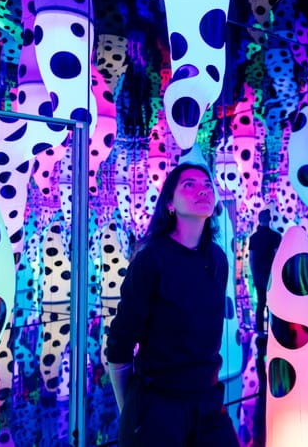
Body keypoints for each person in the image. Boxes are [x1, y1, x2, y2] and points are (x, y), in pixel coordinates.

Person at [106, 163, 241, 447]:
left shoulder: (217, 258)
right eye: (188, 184)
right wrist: (129, 409)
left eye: (206, 184)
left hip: (209, 399)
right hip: (160, 402)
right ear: (169, 203)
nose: (202, 189)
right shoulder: (151, 260)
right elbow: (121, 340)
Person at [248, 209, 282, 334]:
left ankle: (260, 331)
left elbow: (251, 258)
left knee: (261, 303)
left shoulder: (253, 238)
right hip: (271, 274)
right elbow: (277, 256)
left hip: (258, 274)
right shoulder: (276, 236)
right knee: (272, 303)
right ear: (269, 220)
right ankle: (273, 330)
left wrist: (253, 273)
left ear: (259, 220)